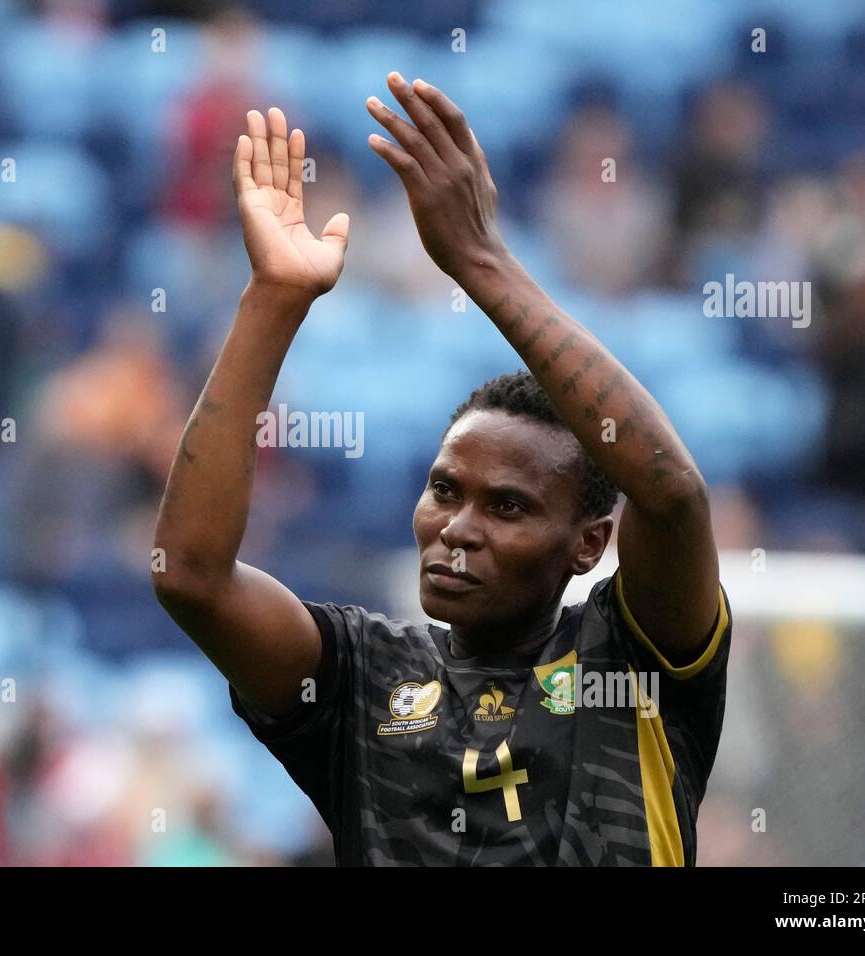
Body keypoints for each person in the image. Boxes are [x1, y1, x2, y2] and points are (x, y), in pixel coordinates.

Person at [151, 71, 732, 866]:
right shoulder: (358, 679)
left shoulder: (635, 662)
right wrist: (274, 298)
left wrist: (482, 261)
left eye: (509, 507)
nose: (459, 528)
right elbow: (190, 577)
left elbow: (671, 496)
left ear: (589, 544)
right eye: (445, 491)